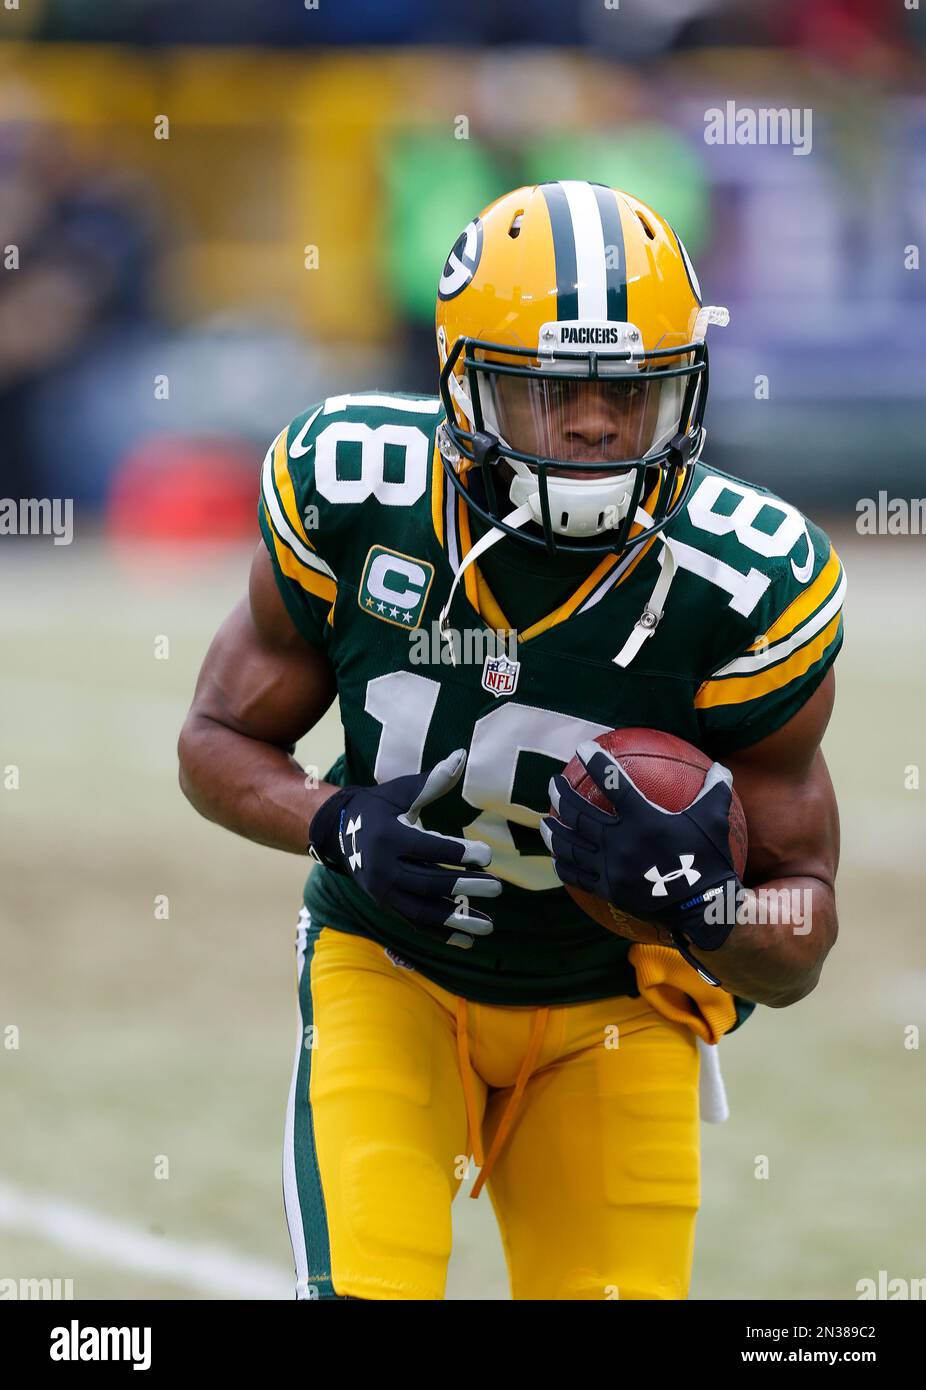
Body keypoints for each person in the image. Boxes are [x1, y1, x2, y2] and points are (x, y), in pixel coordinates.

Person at [178, 182, 843, 1300]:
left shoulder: (746, 578)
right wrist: (335, 822)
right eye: (552, 389)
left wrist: (707, 905)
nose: (593, 421)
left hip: (617, 1006)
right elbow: (213, 741)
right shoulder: (353, 486)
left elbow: (803, 925)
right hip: (389, 968)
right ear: (462, 387)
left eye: (630, 394)